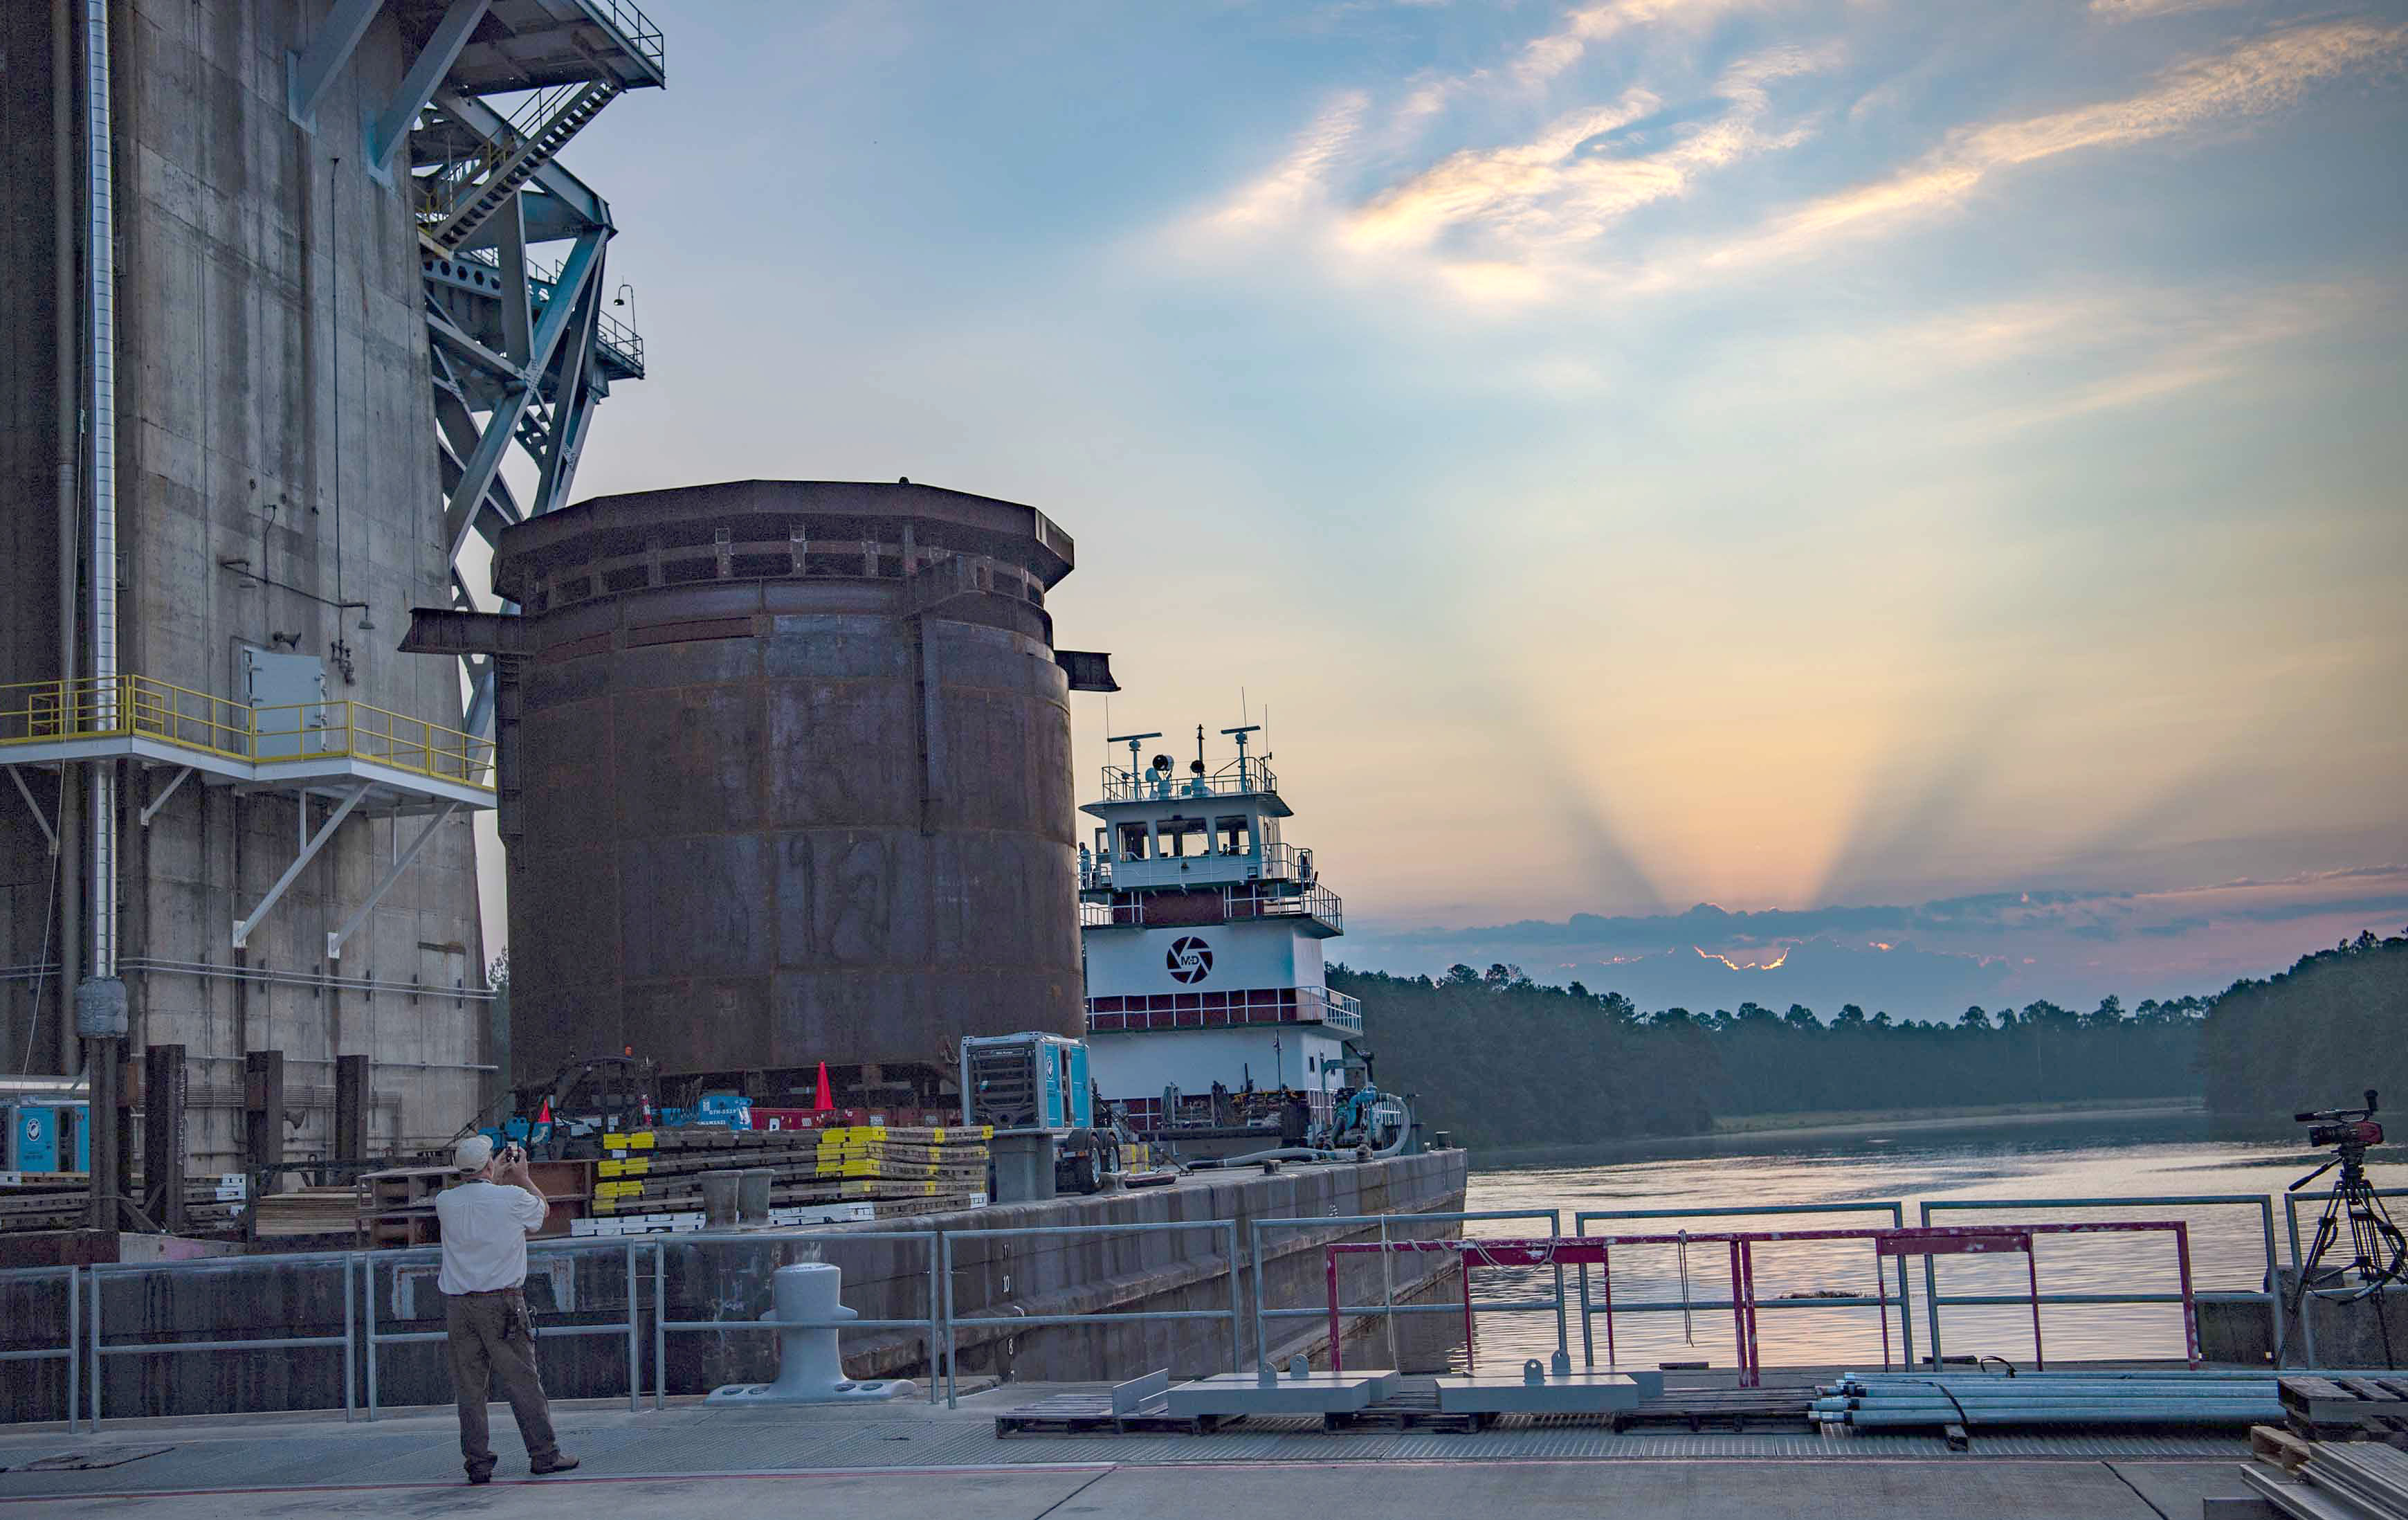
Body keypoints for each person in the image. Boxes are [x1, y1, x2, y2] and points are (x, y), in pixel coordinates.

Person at [436, 1134, 578, 1484]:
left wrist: (494, 1173)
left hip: (459, 1308)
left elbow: (479, 1195)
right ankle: (544, 1455)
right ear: (489, 1165)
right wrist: (524, 1176)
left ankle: (478, 1465)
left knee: (470, 1389)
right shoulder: (513, 1198)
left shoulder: (445, 1202)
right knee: (523, 1382)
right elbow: (542, 1212)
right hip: (502, 1305)